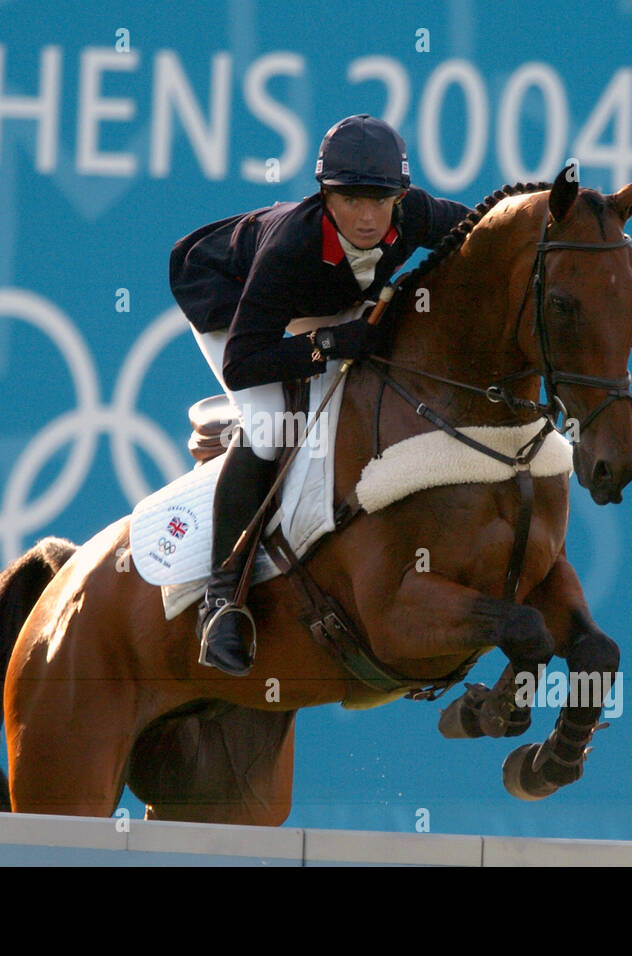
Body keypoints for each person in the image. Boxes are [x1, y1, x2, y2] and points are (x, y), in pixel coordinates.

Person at [168, 114, 473, 676]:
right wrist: (328, 343)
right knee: (270, 422)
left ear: (401, 197)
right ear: (325, 195)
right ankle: (221, 601)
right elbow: (243, 362)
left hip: (321, 293)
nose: (365, 215)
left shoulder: (419, 213)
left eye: (379, 200)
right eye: (349, 199)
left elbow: (486, 233)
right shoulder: (291, 245)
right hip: (226, 294)